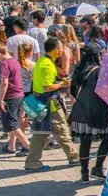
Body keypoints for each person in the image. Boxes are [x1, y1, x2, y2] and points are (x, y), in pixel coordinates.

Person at [24, 37, 79, 171]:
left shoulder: (41, 61)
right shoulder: (48, 65)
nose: (62, 50)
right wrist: (62, 84)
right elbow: (47, 86)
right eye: (60, 47)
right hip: (50, 103)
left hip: (40, 102)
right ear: (55, 49)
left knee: (40, 132)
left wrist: (59, 79)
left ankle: (32, 161)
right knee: (61, 129)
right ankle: (74, 157)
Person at [68, 43, 108, 183]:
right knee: (106, 138)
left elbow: (72, 91)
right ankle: (98, 168)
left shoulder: (79, 69)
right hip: (97, 111)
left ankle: (84, 173)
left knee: (84, 143)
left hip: (80, 111)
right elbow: (105, 91)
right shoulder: (99, 71)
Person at [0, 42, 29, 155]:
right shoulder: (14, 60)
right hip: (19, 94)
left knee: (12, 123)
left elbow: (4, 82)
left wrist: (1, 99)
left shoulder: (4, 64)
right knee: (14, 121)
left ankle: (26, 145)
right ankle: (11, 146)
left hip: (10, 96)